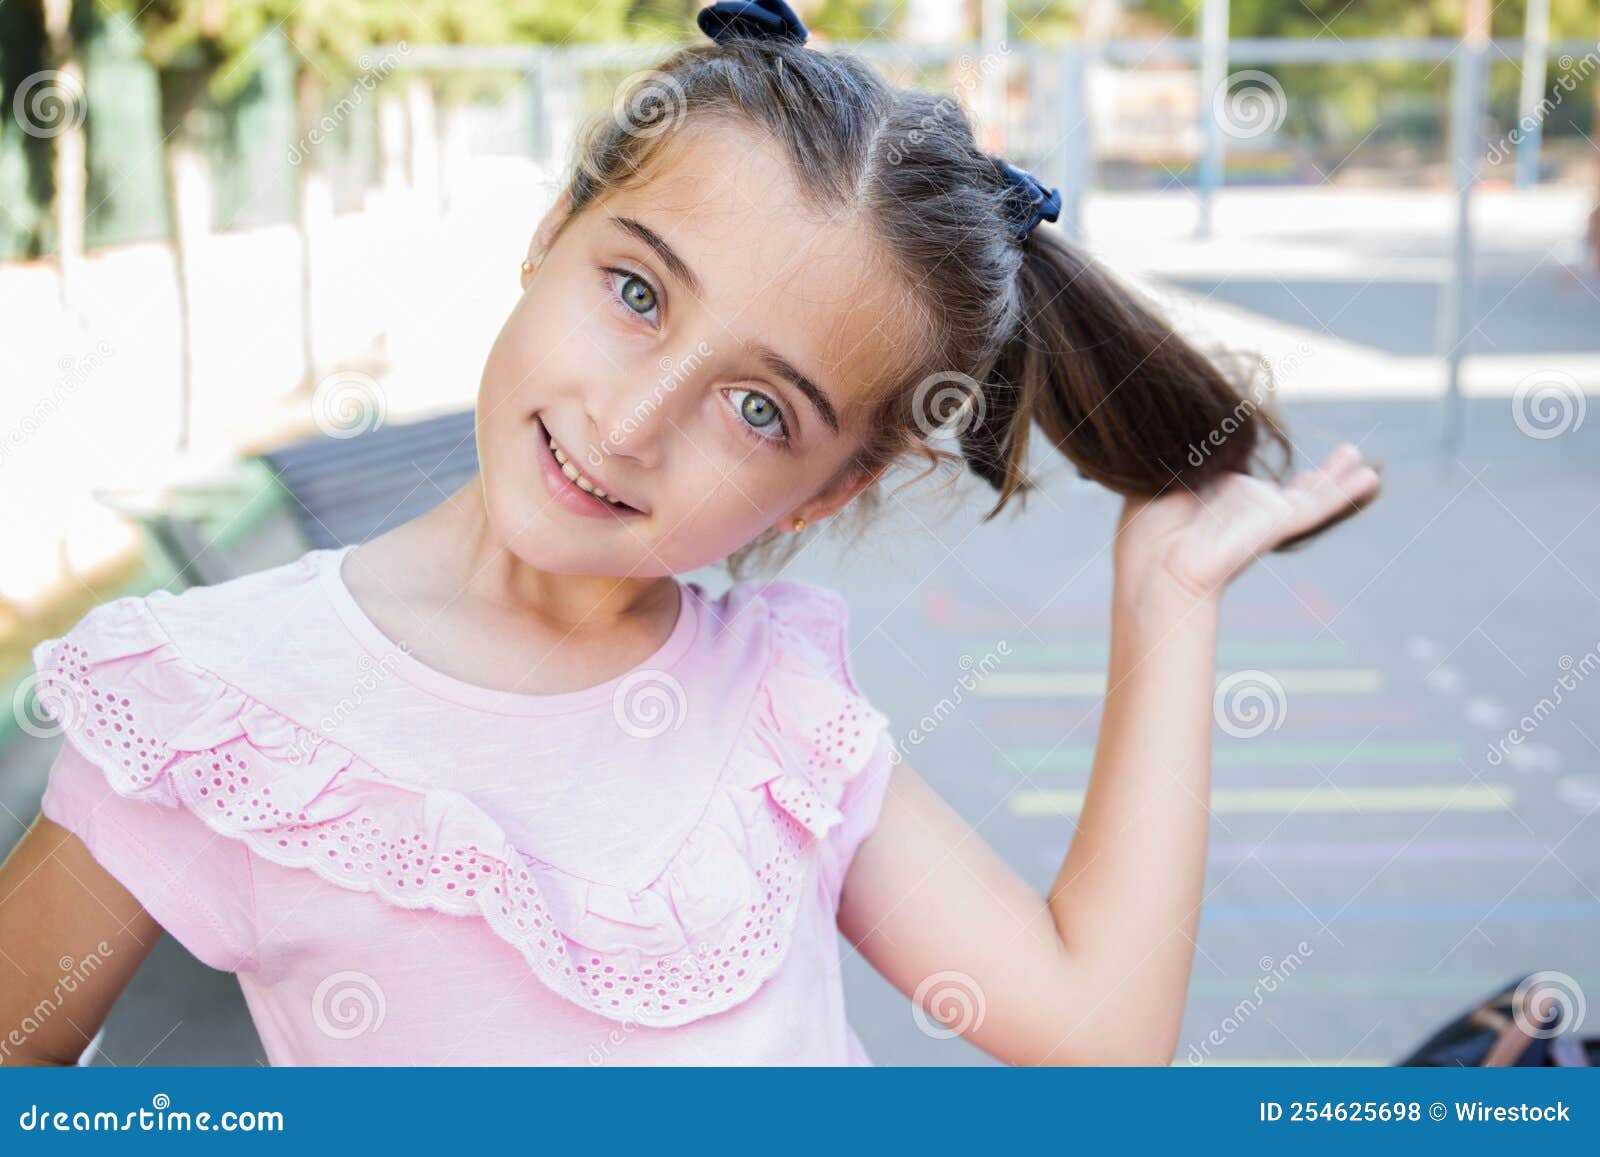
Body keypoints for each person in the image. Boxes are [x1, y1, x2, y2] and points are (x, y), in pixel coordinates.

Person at [0, 0, 1380, 1067]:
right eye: (639, 291)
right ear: (552, 232)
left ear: (831, 490)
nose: (637, 417)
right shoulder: (206, 700)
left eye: (761, 410)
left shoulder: (778, 711)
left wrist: (1173, 593)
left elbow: (1095, 1032)